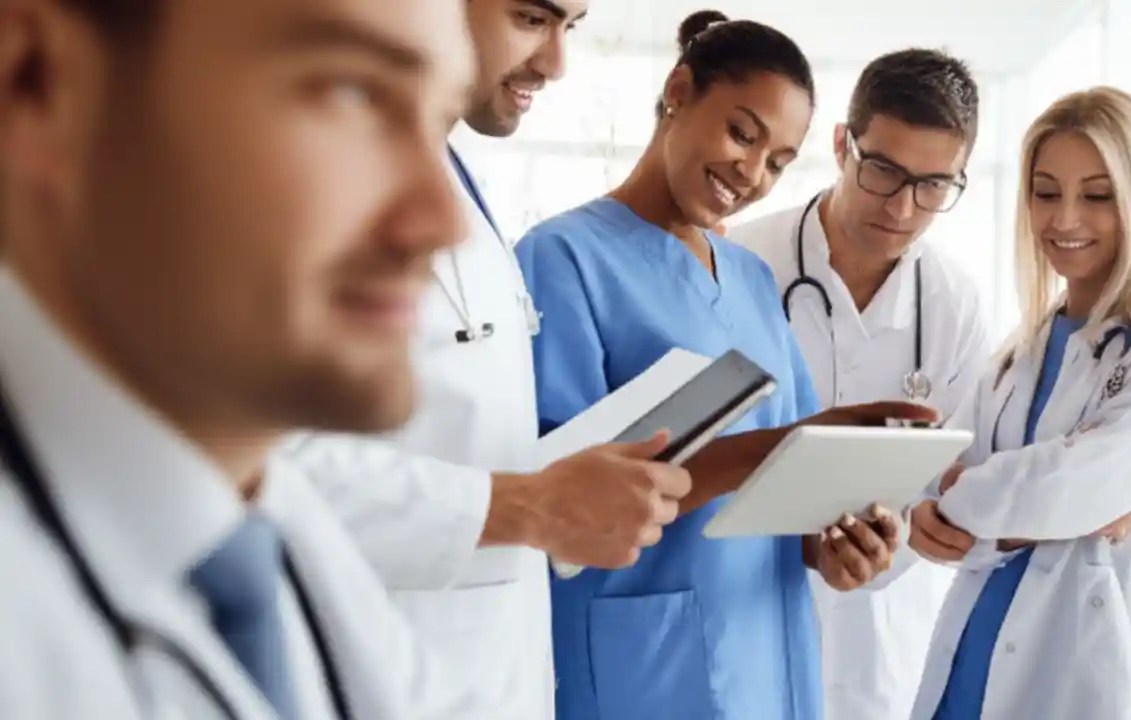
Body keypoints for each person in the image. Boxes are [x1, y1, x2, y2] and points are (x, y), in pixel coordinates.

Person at [0, 0, 477, 717]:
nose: (444, 222)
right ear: (36, 84)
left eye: (440, 116)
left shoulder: (265, 520)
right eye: (352, 92)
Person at [516, 11, 935, 719]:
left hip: (769, 654)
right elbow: (566, 499)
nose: (753, 173)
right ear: (679, 90)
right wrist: (791, 444)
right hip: (644, 663)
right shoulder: (562, 258)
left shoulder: (747, 279)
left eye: (778, 161)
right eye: (742, 133)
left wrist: (834, 544)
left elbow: (783, 492)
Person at [285, 1, 691, 718]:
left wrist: (561, 493)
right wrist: (526, 506)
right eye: (532, 17)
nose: (558, 63)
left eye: (574, 26)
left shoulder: (460, 183)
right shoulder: (304, 175)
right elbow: (267, 472)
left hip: (485, 673)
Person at [906, 87, 1131, 719]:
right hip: (969, 671)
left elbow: (1079, 486)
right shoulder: (1018, 355)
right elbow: (933, 493)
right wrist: (1007, 511)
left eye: (1097, 196)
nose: (1064, 220)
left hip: (1078, 680)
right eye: (1045, 192)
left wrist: (1001, 502)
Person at [730, 49, 992, 720]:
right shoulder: (740, 262)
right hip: (745, 608)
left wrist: (892, 543)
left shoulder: (955, 304)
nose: (903, 208)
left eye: (935, 185)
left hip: (883, 640)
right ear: (843, 145)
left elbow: (956, 482)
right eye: (883, 171)